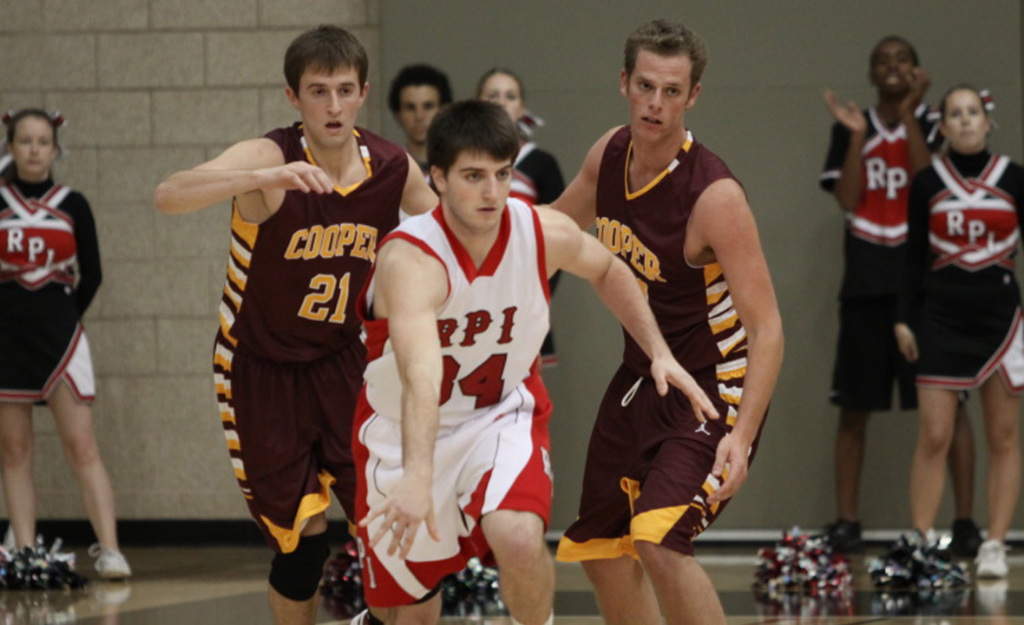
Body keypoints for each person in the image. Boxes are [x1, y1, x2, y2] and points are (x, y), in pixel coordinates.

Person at [349, 99, 717, 625]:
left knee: (520, 537)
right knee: (406, 615)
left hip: (500, 415)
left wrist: (659, 351)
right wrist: (418, 473)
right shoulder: (409, 260)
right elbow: (421, 374)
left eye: (502, 174)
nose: (492, 192)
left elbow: (609, 268)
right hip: (404, 433)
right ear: (437, 178)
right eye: (473, 176)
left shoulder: (540, 231)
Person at [153, 25, 437, 625]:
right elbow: (169, 194)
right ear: (293, 97)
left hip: (343, 362)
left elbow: (446, 232)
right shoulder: (270, 156)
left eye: (343, 90)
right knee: (304, 544)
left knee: (388, 525)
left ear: (362, 92)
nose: (332, 106)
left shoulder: (390, 164)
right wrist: (260, 180)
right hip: (260, 369)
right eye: (317, 91)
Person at [552, 20, 783, 625]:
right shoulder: (607, 154)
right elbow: (546, 227)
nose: (656, 104)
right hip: (643, 377)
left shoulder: (715, 196)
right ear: (624, 82)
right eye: (646, 86)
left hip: (713, 389)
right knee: (601, 550)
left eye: (672, 91)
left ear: (693, 96)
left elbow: (769, 329)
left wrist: (742, 435)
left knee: (658, 539)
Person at [820, 35, 982, 556]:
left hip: (924, 288)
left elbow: (923, 183)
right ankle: (848, 520)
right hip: (867, 284)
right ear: (871, 73)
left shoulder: (936, 122)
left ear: (916, 71)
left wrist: (913, 114)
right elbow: (847, 198)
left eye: (902, 59)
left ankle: (962, 522)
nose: (892, 67)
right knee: (854, 408)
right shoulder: (850, 124)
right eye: (882, 60)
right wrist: (856, 138)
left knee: (949, 408)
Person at [895, 85, 1024, 579]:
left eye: (974, 112)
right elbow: (910, 257)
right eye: (956, 113)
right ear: (942, 127)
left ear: (987, 121)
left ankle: (995, 544)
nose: (966, 120)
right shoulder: (927, 182)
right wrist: (904, 318)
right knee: (934, 434)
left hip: (1002, 323)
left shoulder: (1013, 178)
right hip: (941, 320)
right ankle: (923, 543)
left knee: (1004, 436)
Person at [0, 109, 131, 579]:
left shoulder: (73, 203)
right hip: (6, 339)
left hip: (61, 336)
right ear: (11, 148)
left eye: (42, 142)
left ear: (56, 150)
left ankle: (111, 549)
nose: (34, 149)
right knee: (14, 451)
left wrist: (65, 317)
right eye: (25, 141)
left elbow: (91, 274)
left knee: (81, 444)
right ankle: (24, 553)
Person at [477, 68, 565, 367]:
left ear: (522, 108)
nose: (501, 102)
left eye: (510, 96)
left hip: (525, 292)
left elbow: (561, 237)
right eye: (493, 95)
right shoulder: (457, 160)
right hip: (470, 291)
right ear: (477, 103)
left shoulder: (541, 163)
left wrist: (537, 296)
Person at [387, 64, 453, 175]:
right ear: (397, 114)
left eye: (428, 106)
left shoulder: (458, 167)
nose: (419, 116)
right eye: (410, 107)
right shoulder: (386, 169)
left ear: (444, 110)